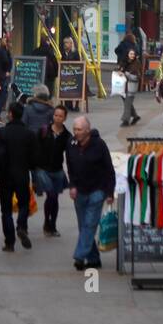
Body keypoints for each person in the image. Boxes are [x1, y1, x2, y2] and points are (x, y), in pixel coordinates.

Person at [65, 116, 115, 271]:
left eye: (79, 129)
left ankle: (79, 257)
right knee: (84, 227)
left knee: (89, 224)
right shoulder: (71, 144)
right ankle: (93, 259)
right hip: (79, 191)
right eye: (74, 129)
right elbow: (70, 166)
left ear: (87, 130)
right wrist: (72, 185)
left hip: (97, 190)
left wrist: (109, 192)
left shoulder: (99, 145)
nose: (76, 132)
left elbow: (109, 170)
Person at [0, 102, 39, 252]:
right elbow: (34, 158)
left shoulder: (1, 133)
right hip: (22, 175)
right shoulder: (29, 134)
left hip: (5, 176)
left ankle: (9, 242)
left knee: (5, 210)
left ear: (11, 114)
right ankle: (21, 225)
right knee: (24, 204)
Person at [37, 104, 71, 237]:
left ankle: (53, 225)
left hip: (57, 169)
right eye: (56, 115)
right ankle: (47, 222)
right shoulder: (44, 131)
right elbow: (35, 149)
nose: (57, 118)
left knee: (55, 198)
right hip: (44, 169)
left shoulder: (67, 136)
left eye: (60, 116)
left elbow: (70, 155)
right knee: (50, 195)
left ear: (65, 118)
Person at [120, 48, 141, 127]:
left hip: (131, 87)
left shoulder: (137, 63)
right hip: (123, 86)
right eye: (130, 54)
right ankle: (135, 116)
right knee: (127, 103)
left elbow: (136, 77)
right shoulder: (124, 62)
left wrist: (125, 74)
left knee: (127, 104)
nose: (132, 56)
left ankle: (125, 120)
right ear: (127, 54)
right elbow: (120, 69)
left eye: (133, 54)